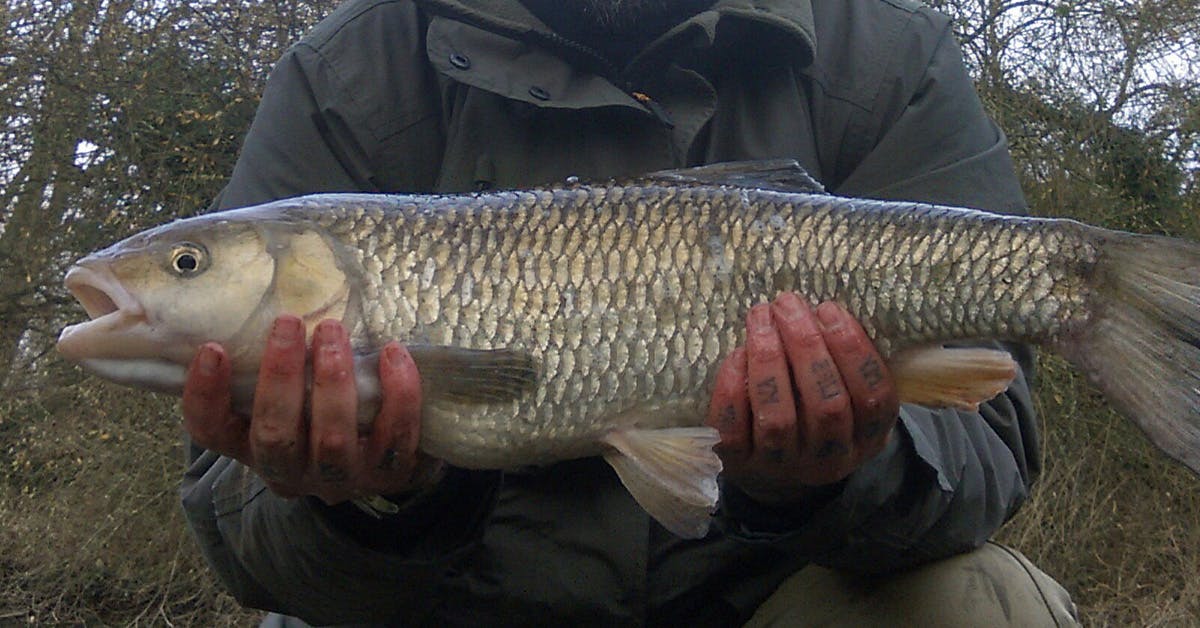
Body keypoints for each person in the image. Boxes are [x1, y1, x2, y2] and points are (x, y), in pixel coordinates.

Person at [180, 0, 1080, 625]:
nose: (180, 278)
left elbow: (988, 446)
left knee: (982, 606)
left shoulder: (884, 53)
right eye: (188, 265)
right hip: (451, 608)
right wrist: (383, 503)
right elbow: (245, 536)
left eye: (188, 265)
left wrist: (828, 478)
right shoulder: (348, 71)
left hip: (766, 597)